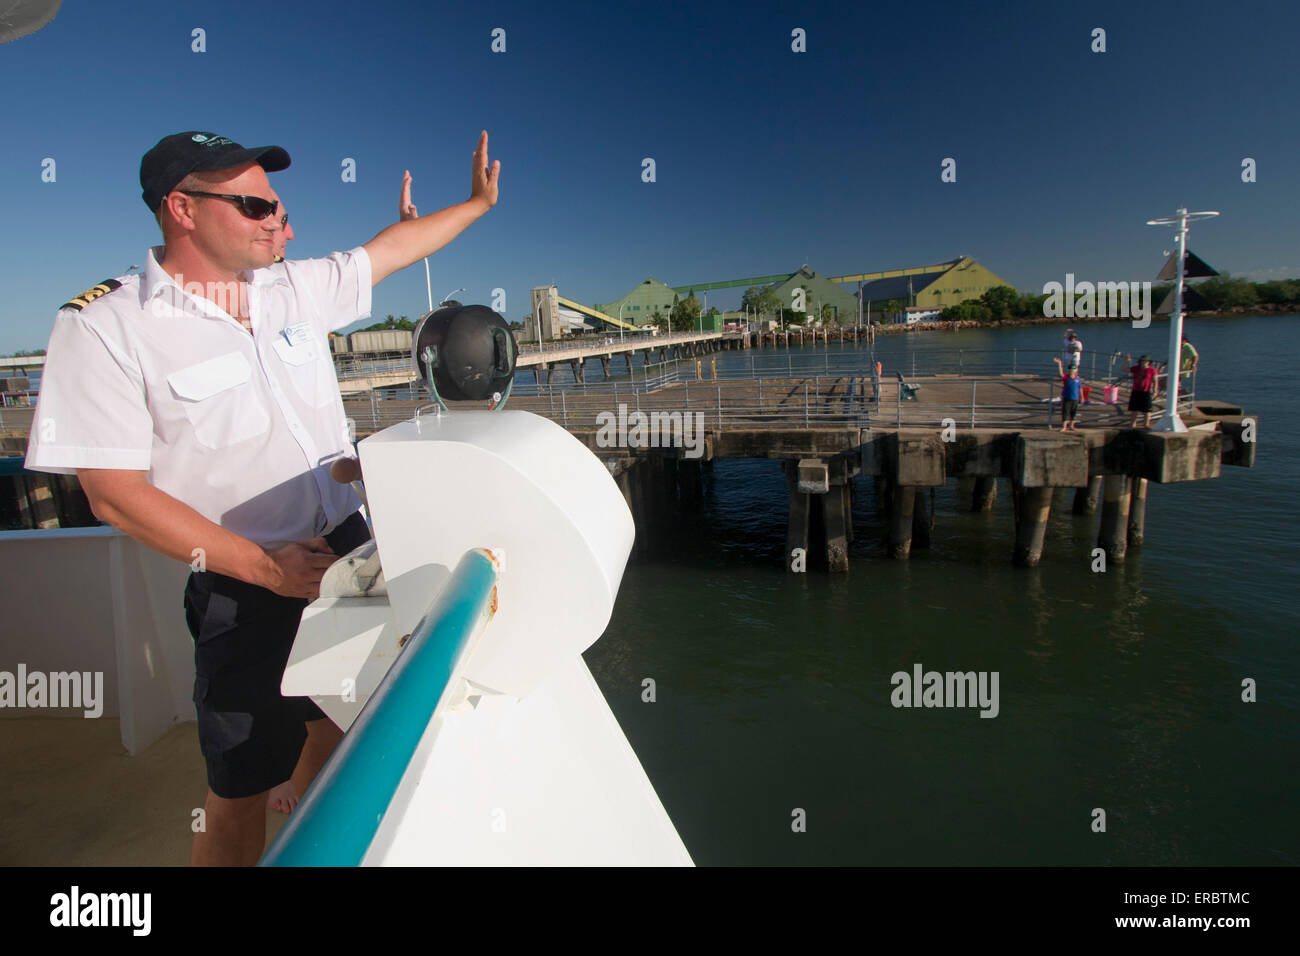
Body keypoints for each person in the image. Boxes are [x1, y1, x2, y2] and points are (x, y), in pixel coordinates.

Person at [24, 129, 500, 866]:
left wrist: (475, 204)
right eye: (257, 206)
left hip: (346, 549)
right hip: (243, 584)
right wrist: (260, 566)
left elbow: (391, 251)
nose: (282, 222)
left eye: (278, 207)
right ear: (182, 209)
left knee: (338, 727)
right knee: (239, 782)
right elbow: (113, 494)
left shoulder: (290, 288)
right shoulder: (105, 326)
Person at [1125, 353, 1158, 427]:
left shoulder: (1152, 370)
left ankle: (1146, 425)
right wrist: (1127, 361)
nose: (1143, 363)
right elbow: (1125, 369)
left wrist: (1155, 391)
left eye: (1145, 361)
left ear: (1148, 362)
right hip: (1136, 390)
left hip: (1146, 391)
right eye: (1142, 361)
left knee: (1147, 410)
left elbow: (1155, 381)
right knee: (1134, 409)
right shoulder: (1135, 368)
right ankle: (1132, 424)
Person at [1052, 357, 1083, 432]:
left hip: (1075, 398)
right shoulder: (1066, 377)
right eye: (1071, 370)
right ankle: (1064, 427)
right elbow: (1061, 374)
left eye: (1074, 369)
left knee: (1073, 413)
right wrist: (1060, 363)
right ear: (1069, 370)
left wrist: (1082, 397)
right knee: (1065, 412)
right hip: (1066, 398)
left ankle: (1072, 426)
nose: (1072, 371)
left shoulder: (1078, 379)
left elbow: (1080, 389)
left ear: (1076, 370)